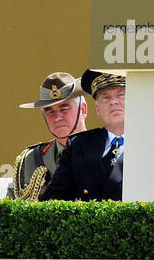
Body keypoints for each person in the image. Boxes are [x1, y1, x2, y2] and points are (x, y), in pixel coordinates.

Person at [40, 70, 125, 201]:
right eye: (105, 98)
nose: (113, 102)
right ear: (97, 108)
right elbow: (52, 202)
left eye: (120, 95)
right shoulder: (77, 146)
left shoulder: (152, 144)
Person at [10, 72, 89, 200]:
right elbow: (10, 212)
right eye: (49, 111)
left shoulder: (105, 154)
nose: (57, 117)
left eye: (64, 108)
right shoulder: (30, 160)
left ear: (83, 110)